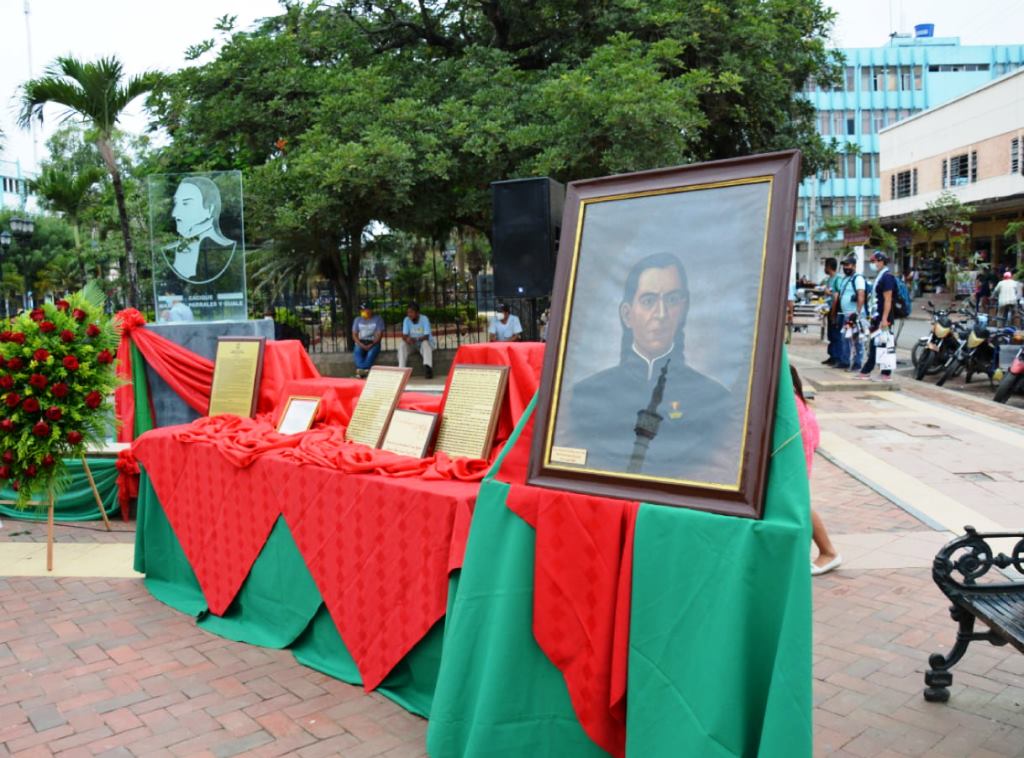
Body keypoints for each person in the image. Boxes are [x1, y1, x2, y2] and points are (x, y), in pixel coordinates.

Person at [560, 252, 741, 484]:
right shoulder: (586, 395)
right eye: (648, 301)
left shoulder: (715, 398)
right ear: (627, 314)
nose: (661, 314)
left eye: (672, 300)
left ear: (684, 309)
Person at [792, 365, 841, 576]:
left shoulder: (790, 403)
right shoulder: (795, 399)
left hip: (794, 462)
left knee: (799, 504)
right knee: (795, 504)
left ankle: (828, 552)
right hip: (797, 460)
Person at [164, 177, 238, 283]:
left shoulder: (225, 249)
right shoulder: (170, 250)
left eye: (186, 203)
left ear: (210, 209)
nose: (175, 213)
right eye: (176, 203)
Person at [858, 251, 897, 383]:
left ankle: (882, 373)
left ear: (881, 261)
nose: (872, 264)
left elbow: (888, 299)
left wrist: (885, 319)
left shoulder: (887, 278)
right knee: (877, 343)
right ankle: (868, 370)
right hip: (878, 316)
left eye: (874, 261)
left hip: (883, 318)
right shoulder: (881, 276)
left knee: (884, 344)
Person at [835, 255, 866, 371]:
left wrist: (857, 313)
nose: (845, 267)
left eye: (848, 265)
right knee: (845, 339)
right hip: (845, 315)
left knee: (857, 340)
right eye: (844, 265)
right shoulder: (845, 279)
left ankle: (857, 364)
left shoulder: (858, 279)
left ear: (854, 266)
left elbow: (861, 295)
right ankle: (845, 361)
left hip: (854, 315)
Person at [398, 301, 434, 378]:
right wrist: (407, 339)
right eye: (408, 312)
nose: (409, 314)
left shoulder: (424, 319)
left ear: (417, 313)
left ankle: (428, 368)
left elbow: (426, 336)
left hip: (422, 345)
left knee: (425, 343)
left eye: (411, 312)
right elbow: (404, 335)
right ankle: (401, 370)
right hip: (412, 344)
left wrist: (416, 339)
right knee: (402, 344)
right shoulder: (406, 320)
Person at [351, 301, 384, 378]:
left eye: (364, 310)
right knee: (357, 351)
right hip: (361, 342)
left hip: (373, 342)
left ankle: (361, 370)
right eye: (361, 310)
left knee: (371, 353)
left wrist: (372, 344)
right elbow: (354, 335)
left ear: (370, 310)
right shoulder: (357, 320)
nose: (362, 312)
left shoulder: (378, 319)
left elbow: (379, 336)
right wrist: (361, 344)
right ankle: (365, 370)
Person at [822, 258, 842, 366]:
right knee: (831, 334)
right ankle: (832, 356)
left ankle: (837, 357)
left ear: (829, 266)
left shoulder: (838, 279)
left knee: (836, 335)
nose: (824, 269)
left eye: (825, 266)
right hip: (829, 309)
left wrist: (834, 313)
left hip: (836, 310)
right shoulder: (829, 279)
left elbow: (837, 295)